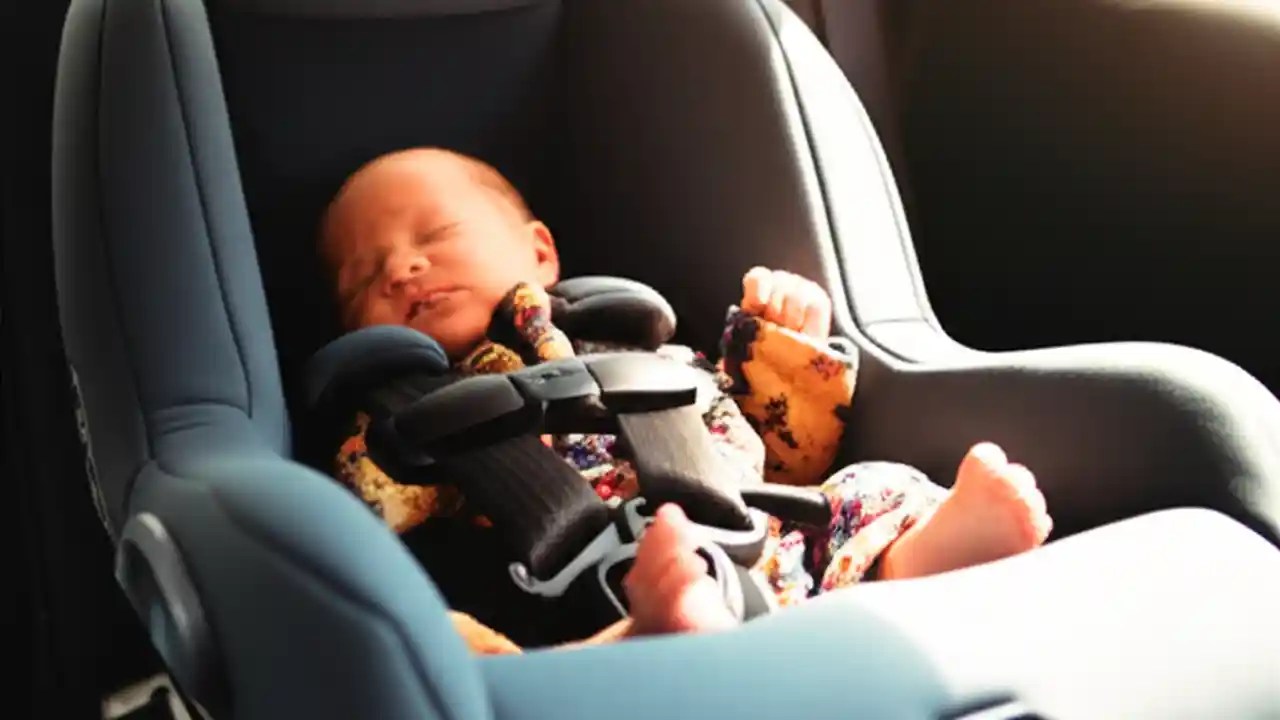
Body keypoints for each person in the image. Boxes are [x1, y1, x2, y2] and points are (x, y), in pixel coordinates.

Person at [317, 147, 1053, 653]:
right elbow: (379, 531)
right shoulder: (392, 417)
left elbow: (778, 456)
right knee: (428, 637)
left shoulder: (643, 352)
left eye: (437, 235)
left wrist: (785, 347)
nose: (403, 268)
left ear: (540, 250)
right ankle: (641, 637)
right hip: (543, 610)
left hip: (758, 553)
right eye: (362, 279)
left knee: (867, 486)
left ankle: (919, 555)